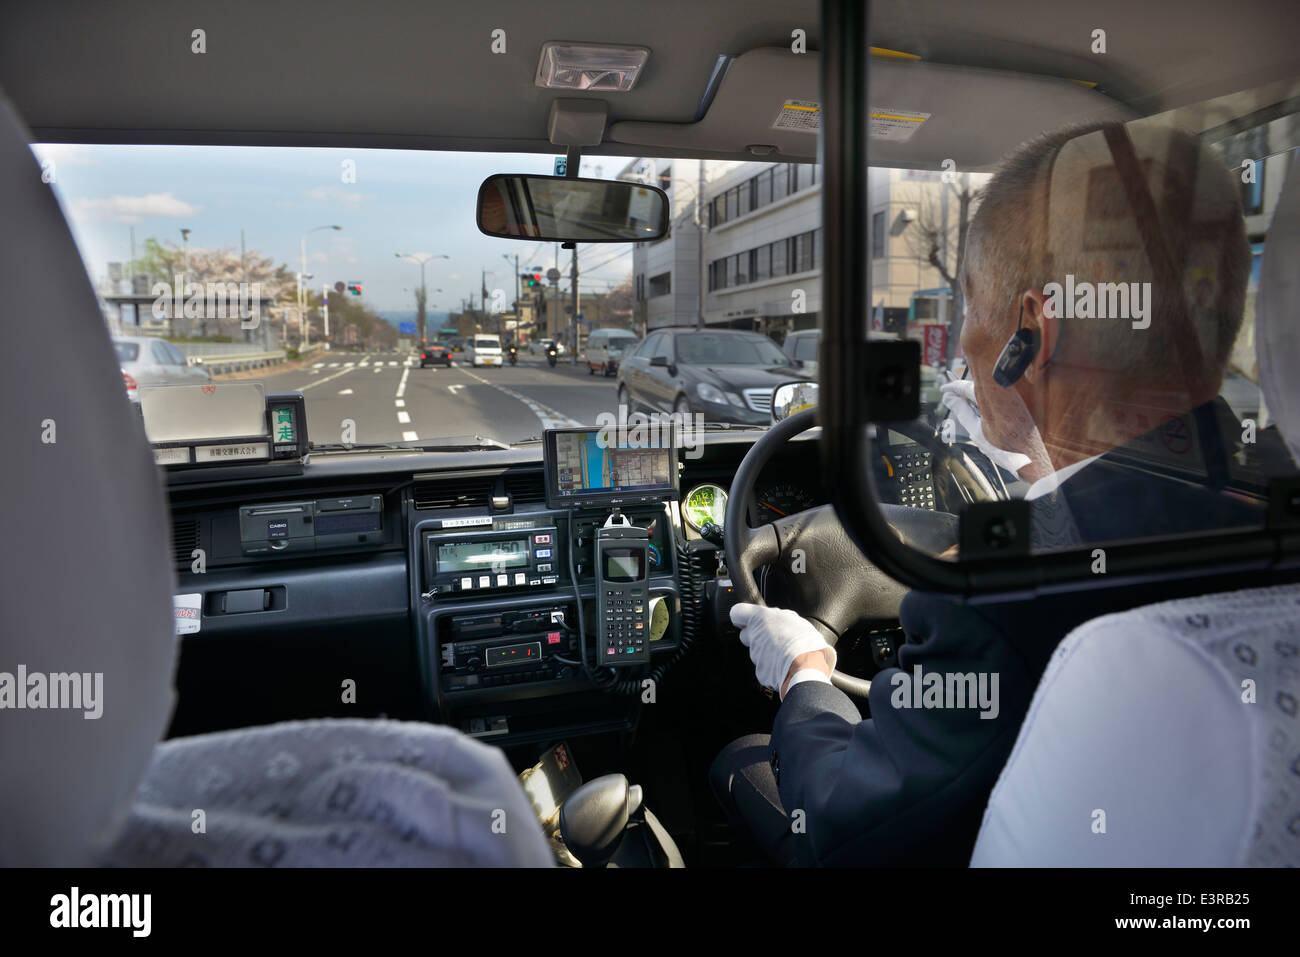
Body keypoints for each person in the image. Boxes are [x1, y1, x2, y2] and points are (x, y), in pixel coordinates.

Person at [711, 118, 1268, 866]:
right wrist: (1052, 473)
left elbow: (845, 823)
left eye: (969, 306)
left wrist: (804, 672)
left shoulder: (1000, 592)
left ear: (1032, 335)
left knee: (741, 759)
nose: (963, 342)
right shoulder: (1270, 501)